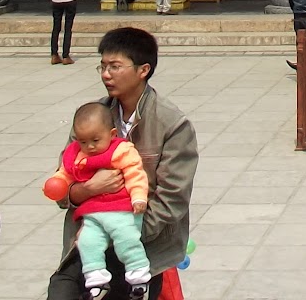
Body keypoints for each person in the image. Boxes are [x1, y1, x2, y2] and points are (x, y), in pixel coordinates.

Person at [49, 28, 198, 300]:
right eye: (103, 66)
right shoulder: (91, 119)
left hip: (141, 249)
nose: (106, 74)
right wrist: (83, 192)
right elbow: (64, 180)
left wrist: (125, 232)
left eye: (115, 66)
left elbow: (173, 199)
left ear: (143, 70)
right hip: (88, 241)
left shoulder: (172, 124)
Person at [45, 102, 150, 300]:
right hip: (92, 214)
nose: (90, 147)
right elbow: (65, 173)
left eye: (95, 140)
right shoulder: (76, 154)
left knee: (127, 238)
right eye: (83, 142)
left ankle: (138, 274)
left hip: (121, 210)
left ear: (111, 134)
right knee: (87, 242)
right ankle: (95, 278)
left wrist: (138, 197)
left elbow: (135, 174)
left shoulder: (121, 151)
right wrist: (56, 183)